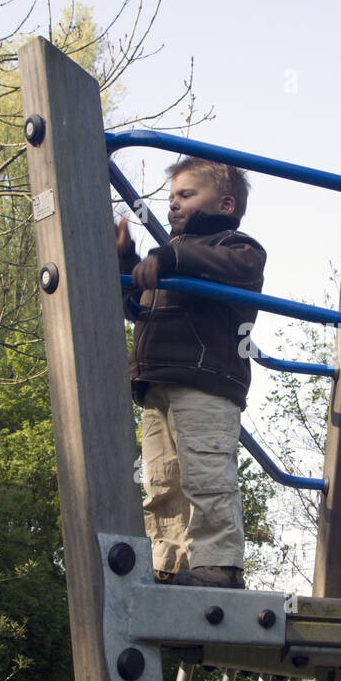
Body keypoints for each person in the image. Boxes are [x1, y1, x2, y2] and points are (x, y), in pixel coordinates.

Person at [116, 157, 266, 589]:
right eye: (170, 198)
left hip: (205, 382)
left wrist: (166, 257)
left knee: (206, 474)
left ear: (224, 203)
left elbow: (229, 268)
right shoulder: (174, 261)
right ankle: (168, 563)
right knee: (162, 482)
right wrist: (128, 257)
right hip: (158, 382)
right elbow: (137, 306)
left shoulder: (238, 249)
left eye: (186, 195)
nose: (173, 206)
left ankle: (219, 565)